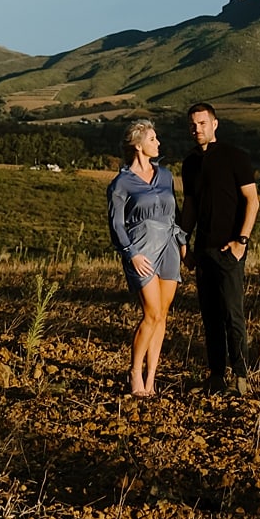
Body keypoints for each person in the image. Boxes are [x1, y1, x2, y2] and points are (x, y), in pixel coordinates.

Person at [176, 102, 260, 396]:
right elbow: (190, 206)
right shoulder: (190, 163)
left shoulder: (235, 157)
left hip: (229, 249)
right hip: (203, 249)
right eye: (192, 124)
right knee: (210, 316)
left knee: (232, 314)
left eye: (202, 123)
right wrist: (183, 244)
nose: (197, 129)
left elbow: (252, 201)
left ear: (215, 124)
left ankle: (241, 377)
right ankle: (216, 376)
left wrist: (241, 241)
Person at [106, 118, 186, 397]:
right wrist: (131, 254)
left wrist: (182, 243)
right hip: (141, 251)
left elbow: (175, 212)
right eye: (153, 139)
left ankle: (151, 379)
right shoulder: (121, 183)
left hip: (169, 248)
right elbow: (116, 224)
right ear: (138, 145)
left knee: (162, 315)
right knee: (150, 313)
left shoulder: (166, 175)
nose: (158, 143)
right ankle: (134, 372)